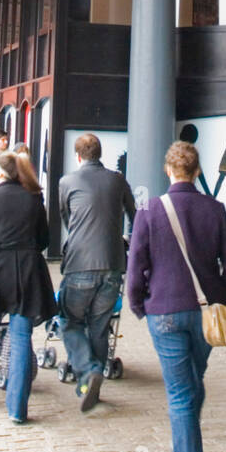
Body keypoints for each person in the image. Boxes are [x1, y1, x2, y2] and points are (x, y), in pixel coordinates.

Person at [127, 140, 226, 452]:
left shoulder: (150, 210)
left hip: (164, 312)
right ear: (198, 171)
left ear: (168, 170)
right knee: (192, 383)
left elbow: (136, 265)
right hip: (206, 312)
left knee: (180, 394)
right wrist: (225, 299)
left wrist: (138, 304)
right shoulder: (215, 208)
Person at [0, 151, 55, 422]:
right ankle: (17, 408)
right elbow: (44, 239)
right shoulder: (33, 199)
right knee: (20, 337)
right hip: (27, 274)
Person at [58, 133, 136, 412]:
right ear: (99, 154)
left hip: (80, 263)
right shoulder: (117, 180)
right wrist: (123, 239)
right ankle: (94, 382)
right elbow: (134, 214)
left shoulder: (67, 182)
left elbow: (65, 217)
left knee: (69, 321)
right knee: (100, 326)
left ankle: (89, 371)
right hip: (113, 264)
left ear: (78, 156)